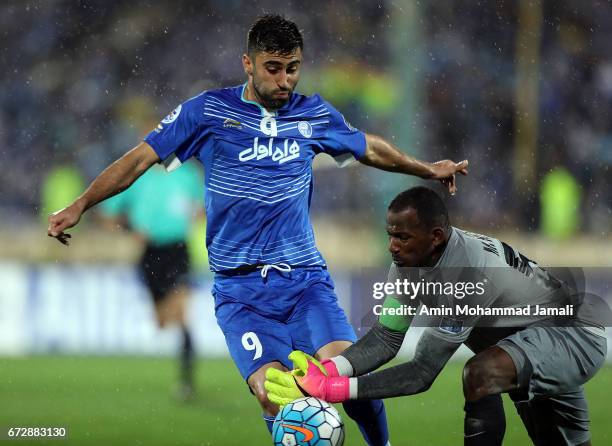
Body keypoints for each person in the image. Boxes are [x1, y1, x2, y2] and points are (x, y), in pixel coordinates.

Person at [47, 15, 468, 445]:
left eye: (293, 68)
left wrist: (424, 168)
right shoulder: (207, 112)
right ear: (247, 64)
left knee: (349, 380)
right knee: (273, 395)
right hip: (241, 294)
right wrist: (81, 203)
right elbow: (139, 159)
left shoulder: (313, 113)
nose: (285, 80)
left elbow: (367, 147)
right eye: (273, 68)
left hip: (305, 284)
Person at [266, 186, 607, 446]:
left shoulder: (467, 269)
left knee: (480, 374)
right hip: (525, 348)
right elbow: (386, 338)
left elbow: (423, 372)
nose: (392, 246)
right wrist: (330, 369)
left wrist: (335, 389)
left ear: (436, 237)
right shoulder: (409, 265)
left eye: (402, 237)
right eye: (390, 235)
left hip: (572, 335)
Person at [99, 161, 202, 400]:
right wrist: (130, 228)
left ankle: (186, 383)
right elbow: (108, 213)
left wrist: (193, 214)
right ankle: (185, 376)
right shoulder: (138, 177)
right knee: (162, 321)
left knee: (181, 315)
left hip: (179, 252)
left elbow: (202, 209)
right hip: (151, 255)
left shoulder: (188, 175)